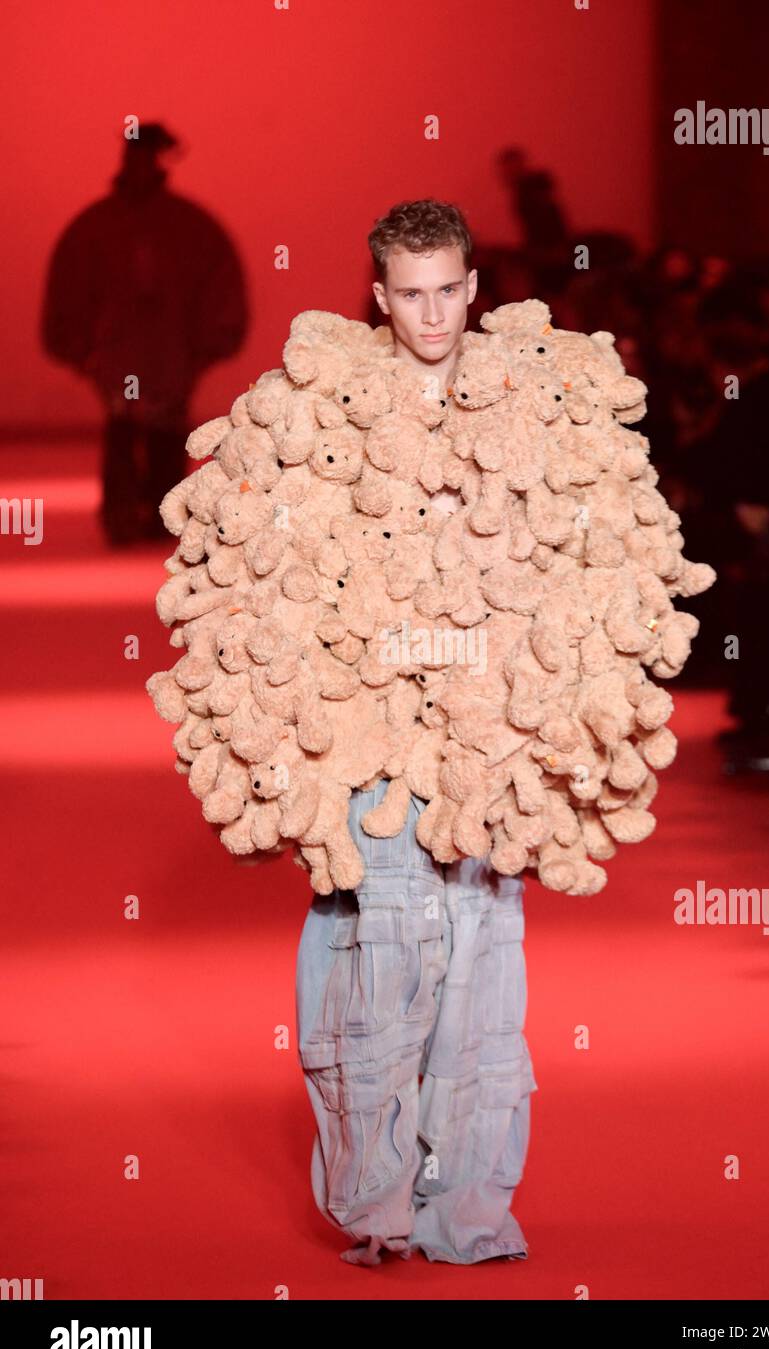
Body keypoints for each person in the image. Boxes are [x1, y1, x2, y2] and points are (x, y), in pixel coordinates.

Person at [295, 200, 538, 1267]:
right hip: (376, 739)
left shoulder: (530, 409)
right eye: (409, 293)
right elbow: (309, 588)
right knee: (375, 965)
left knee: (482, 970)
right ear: (378, 295)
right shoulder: (335, 413)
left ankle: (469, 1210)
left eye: (449, 289)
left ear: (473, 286)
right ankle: (377, 1208)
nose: (431, 312)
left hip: (485, 739)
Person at [40, 122, 248, 545]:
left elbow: (218, 286)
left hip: (163, 357)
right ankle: (132, 517)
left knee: (156, 434)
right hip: (127, 355)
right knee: (128, 430)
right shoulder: (105, 228)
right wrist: (79, 347)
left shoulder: (183, 228)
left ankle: (154, 517)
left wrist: (206, 346)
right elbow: (70, 288)